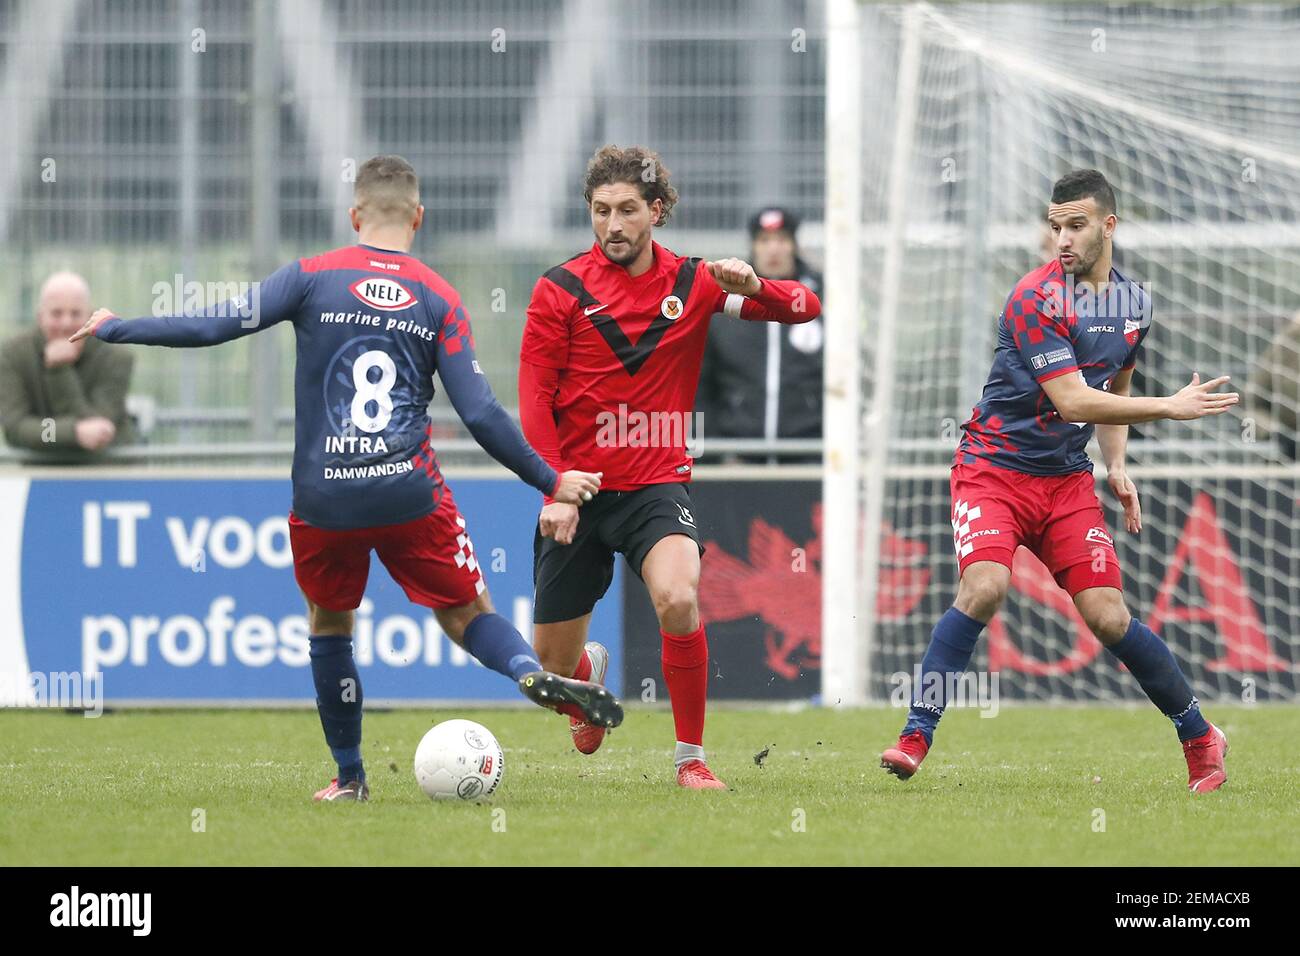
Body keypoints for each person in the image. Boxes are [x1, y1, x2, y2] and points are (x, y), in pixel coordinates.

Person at [71, 155, 617, 802]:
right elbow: (481, 413)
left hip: (325, 496)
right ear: (418, 217)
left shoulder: (310, 277)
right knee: (466, 612)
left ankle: (351, 778)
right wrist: (549, 479)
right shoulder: (438, 296)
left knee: (330, 624)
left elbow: (213, 324)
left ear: (355, 215)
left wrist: (116, 325)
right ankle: (528, 672)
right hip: (408, 491)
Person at [880, 169, 1238, 794]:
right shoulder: (1035, 298)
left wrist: (1117, 464)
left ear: (1109, 225)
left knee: (1108, 615)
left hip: (1066, 482)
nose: (1062, 239)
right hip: (993, 469)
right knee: (985, 586)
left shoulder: (1134, 304)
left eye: (1075, 226)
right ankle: (916, 734)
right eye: (1054, 227)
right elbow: (1074, 401)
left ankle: (1200, 736)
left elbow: (1116, 382)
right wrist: (1169, 407)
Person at [518, 145, 821, 789]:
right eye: (601, 211)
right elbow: (535, 401)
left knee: (679, 596)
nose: (613, 225)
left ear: (656, 211)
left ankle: (691, 759)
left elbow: (805, 308)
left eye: (627, 209)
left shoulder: (696, 282)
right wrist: (555, 488)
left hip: (657, 483)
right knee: (545, 669)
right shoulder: (559, 289)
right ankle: (585, 677)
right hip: (578, 488)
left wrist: (757, 286)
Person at [696, 206, 824, 463]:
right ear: (754, 246)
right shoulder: (725, 301)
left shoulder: (823, 298)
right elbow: (701, 386)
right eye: (764, 240)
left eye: (781, 240)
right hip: (739, 462)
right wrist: (714, 455)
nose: (773, 249)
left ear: (794, 245)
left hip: (810, 459)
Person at [0, 271, 134, 455]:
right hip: (37, 470)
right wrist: (74, 433)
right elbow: (16, 429)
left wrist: (59, 370)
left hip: (104, 471)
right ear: (41, 317)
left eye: (76, 314)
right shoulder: (12, 355)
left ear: (89, 317)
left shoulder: (116, 357)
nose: (66, 323)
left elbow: (98, 431)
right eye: (56, 313)